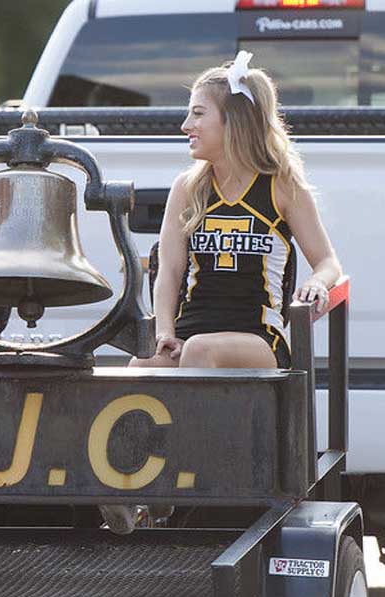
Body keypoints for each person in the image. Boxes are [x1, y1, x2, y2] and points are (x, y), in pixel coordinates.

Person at [101, 52, 344, 534]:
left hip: (259, 336)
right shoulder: (187, 187)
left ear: (232, 120)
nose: (185, 124)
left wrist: (318, 282)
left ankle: (171, 487)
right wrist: (163, 332)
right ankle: (125, 491)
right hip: (191, 331)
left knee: (203, 351)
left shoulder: (282, 186)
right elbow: (167, 272)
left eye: (196, 113)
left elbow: (328, 261)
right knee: (141, 366)